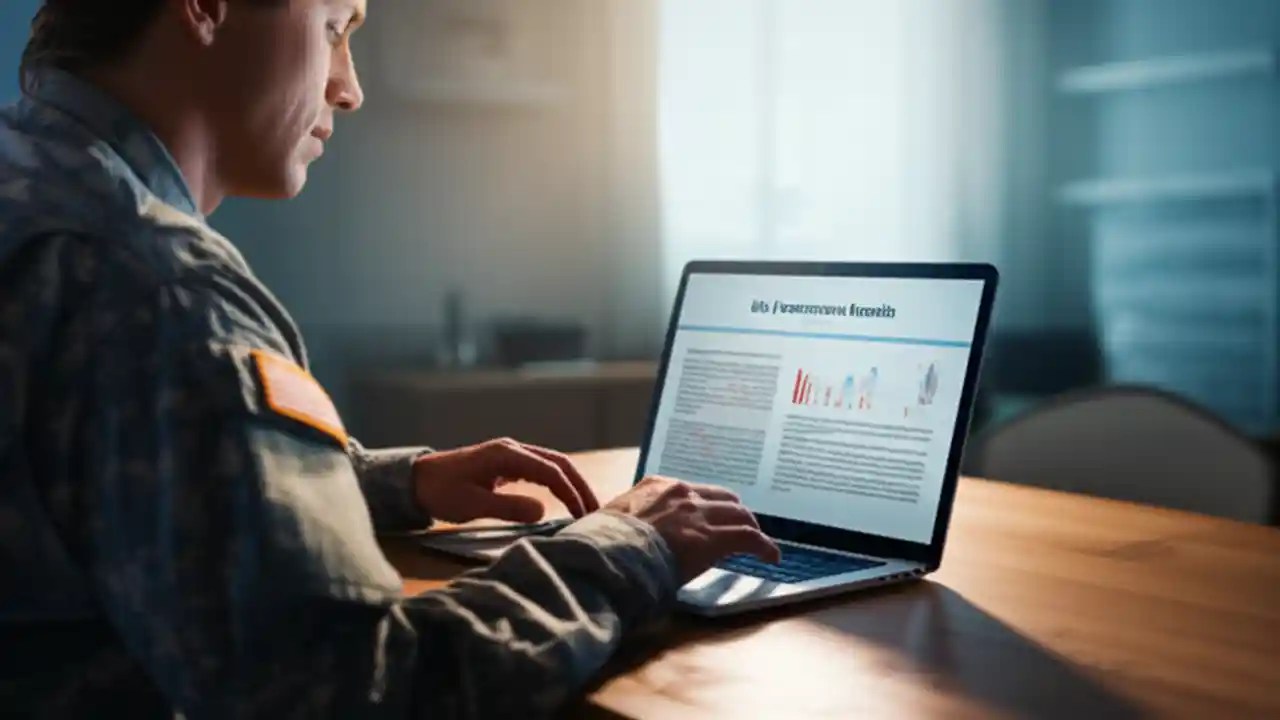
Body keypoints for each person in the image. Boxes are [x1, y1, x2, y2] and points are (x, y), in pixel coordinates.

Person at [0, 1, 781, 717]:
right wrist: (628, 546)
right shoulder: (159, 289)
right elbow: (360, 688)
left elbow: (114, 473)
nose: (348, 89)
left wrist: (393, 482)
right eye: (335, 26)